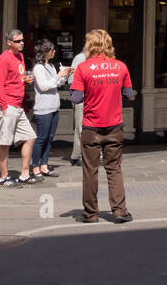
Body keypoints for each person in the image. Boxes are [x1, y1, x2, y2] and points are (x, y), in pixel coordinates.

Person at [69, 29, 135, 223]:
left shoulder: (83, 68)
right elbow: (129, 93)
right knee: (114, 169)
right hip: (114, 126)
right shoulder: (120, 66)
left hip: (91, 127)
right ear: (108, 45)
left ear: (89, 46)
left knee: (90, 171)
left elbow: (76, 97)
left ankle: (90, 214)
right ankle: (120, 210)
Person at [0, 28, 35, 187]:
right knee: (5, 142)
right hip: (7, 105)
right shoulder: (4, 59)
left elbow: (16, 78)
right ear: (9, 43)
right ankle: (4, 176)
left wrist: (25, 80)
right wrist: (4, 107)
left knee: (30, 137)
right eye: (18, 41)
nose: (22, 43)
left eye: (22, 40)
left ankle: (24, 174)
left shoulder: (20, 57)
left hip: (18, 105)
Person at [29, 40, 70, 181]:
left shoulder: (51, 65)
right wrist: (58, 76)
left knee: (50, 138)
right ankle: (35, 166)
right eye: (52, 50)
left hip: (54, 107)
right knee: (41, 138)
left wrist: (64, 75)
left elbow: (56, 84)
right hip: (43, 109)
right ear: (45, 52)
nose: (54, 52)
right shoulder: (38, 68)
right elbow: (43, 86)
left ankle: (44, 165)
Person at [67, 40, 89, 166]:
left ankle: (76, 154)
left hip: (87, 97)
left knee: (81, 127)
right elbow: (72, 77)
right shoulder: (80, 58)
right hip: (81, 97)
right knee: (81, 127)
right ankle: (80, 154)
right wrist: (76, 96)